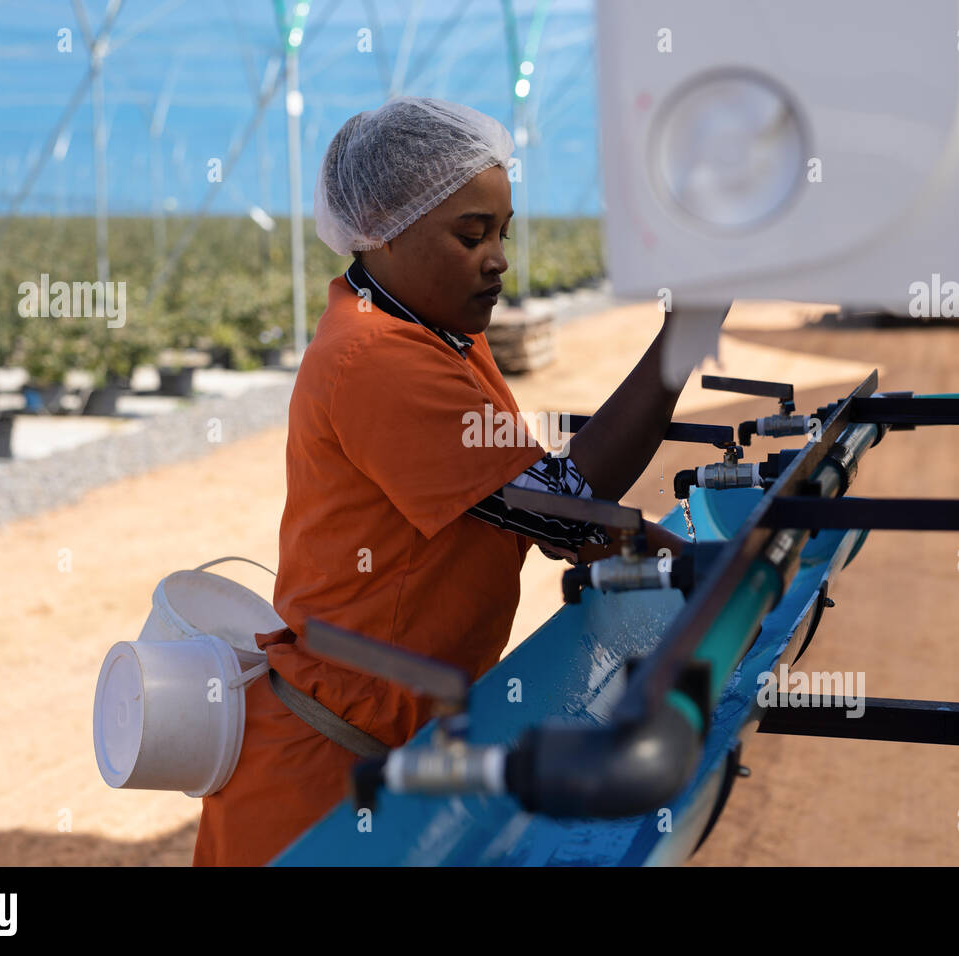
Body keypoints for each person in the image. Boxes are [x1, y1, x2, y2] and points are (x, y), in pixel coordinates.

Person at [192, 96, 689, 866]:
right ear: (383, 228)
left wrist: (665, 555)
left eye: (502, 232)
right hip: (325, 779)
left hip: (393, 742)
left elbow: (542, 509)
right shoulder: (376, 360)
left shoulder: (443, 335)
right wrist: (681, 344)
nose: (497, 258)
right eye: (470, 234)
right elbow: (564, 509)